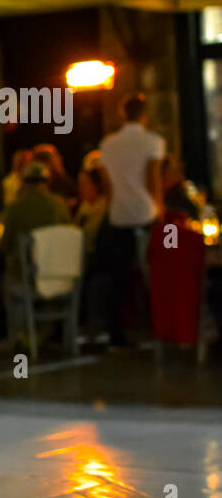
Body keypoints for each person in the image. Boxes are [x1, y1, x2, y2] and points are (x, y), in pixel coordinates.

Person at [95, 94, 165, 349]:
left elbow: (107, 185)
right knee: (154, 274)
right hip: (145, 214)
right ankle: (159, 329)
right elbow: (152, 179)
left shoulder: (108, 144)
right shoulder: (152, 141)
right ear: (144, 115)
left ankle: (117, 334)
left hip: (118, 214)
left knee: (119, 277)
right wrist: (161, 211)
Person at [0, 161, 72, 282]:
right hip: (58, 273)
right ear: (48, 181)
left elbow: (4, 245)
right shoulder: (60, 205)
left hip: (27, 275)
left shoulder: (16, 206)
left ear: (23, 182)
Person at [74, 167, 108, 257]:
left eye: (84, 184)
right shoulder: (85, 206)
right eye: (79, 184)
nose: (80, 189)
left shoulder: (103, 208)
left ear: (96, 186)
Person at [161, 155, 202, 220]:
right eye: (172, 172)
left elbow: (193, 211)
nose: (180, 177)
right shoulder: (156, 195)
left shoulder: (176, 192)